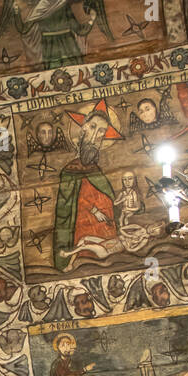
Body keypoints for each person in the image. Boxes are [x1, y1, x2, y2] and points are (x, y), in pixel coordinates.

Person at [53, 102, 121, 269]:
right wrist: (94, 211)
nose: (95, 135)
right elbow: (68, 207)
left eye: (101, 131)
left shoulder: (96, 170)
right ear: (82, 129)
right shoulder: (70, 170)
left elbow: (106, 195)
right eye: (93, 127)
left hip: (105, 227)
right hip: (84, 225)